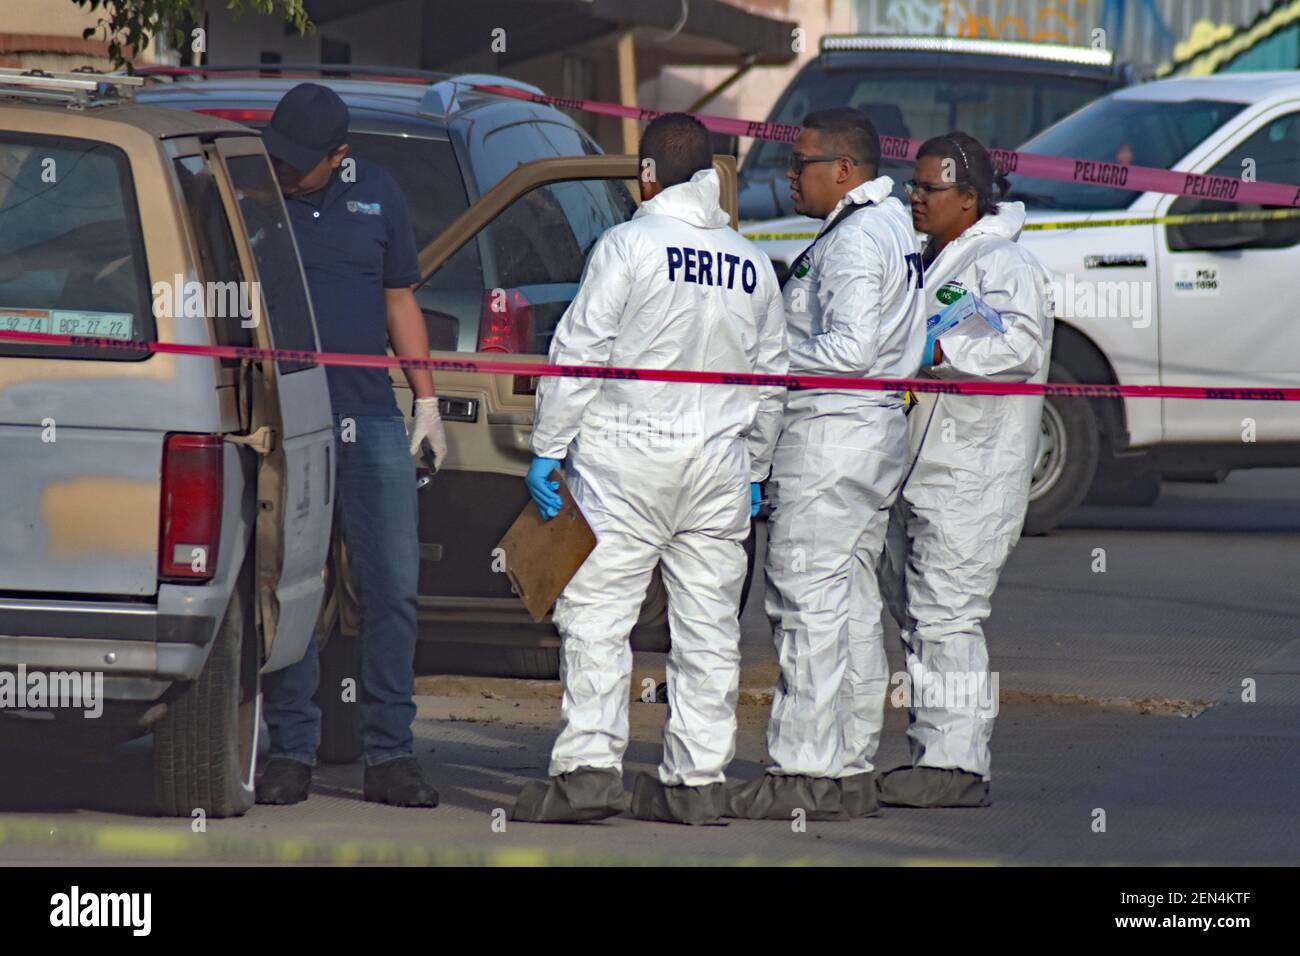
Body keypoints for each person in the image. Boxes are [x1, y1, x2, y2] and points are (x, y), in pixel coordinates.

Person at [511, 113, 787, 826]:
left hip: (627, 462)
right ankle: (697, 781)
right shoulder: (750, 262)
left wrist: (548, 447)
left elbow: (580, 351)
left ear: (647, 176)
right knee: (707, 627)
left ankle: (589, 772)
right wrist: (755, 465)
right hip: (718, 470)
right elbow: (770, 378)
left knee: (600, 617)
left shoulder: (627, 245)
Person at [727, 107, 926, 821]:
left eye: (801, 162)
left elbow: (849, 350)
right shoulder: (887, 225)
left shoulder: (853, 240)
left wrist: (766, 362)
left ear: (844, 169)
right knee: (850, 607)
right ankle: (848, 766)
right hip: (867, 442)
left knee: (805, 605)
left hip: (832, 439)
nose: (789, 175)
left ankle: (801, 771)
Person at [255, 83, 445, 808]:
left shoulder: (380, 194)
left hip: (368, 419)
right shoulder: (254, 198)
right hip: (289, 416)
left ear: (340, 157)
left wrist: (424, 398)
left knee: (393, 586)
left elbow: (400, 298)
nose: (287, 170)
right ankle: (292, 750)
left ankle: (390, 755)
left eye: (304, 161)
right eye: (281, 155)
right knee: (293, 586)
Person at [876, 131, 1054, 807]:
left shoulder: (1003, 265)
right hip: (927, 468)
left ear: (970, 198)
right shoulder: (934, 258)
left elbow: (1016, 341)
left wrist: (939, 348)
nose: (914, 196)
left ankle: (955, 764)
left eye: (929, 188)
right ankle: (936, 754)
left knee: (946, 616)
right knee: (921, 617)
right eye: (912, 185)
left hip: (973, 472)